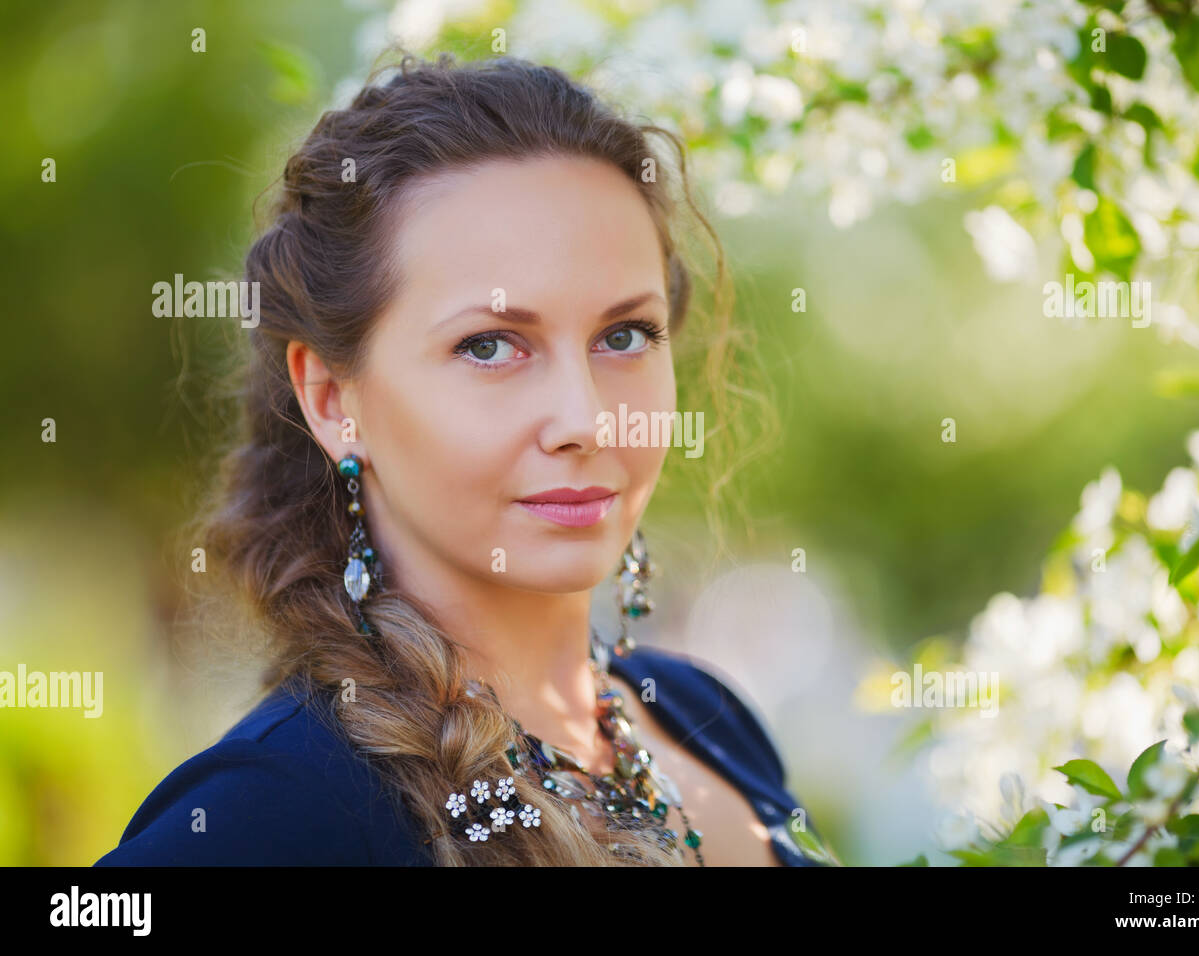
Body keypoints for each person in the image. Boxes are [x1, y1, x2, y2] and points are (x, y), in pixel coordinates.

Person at [95, 51, 839, 867]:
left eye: (623, 335)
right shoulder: (278, 811)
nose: (585, 421)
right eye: (490, 346)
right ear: (334, 401)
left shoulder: (705, 719)